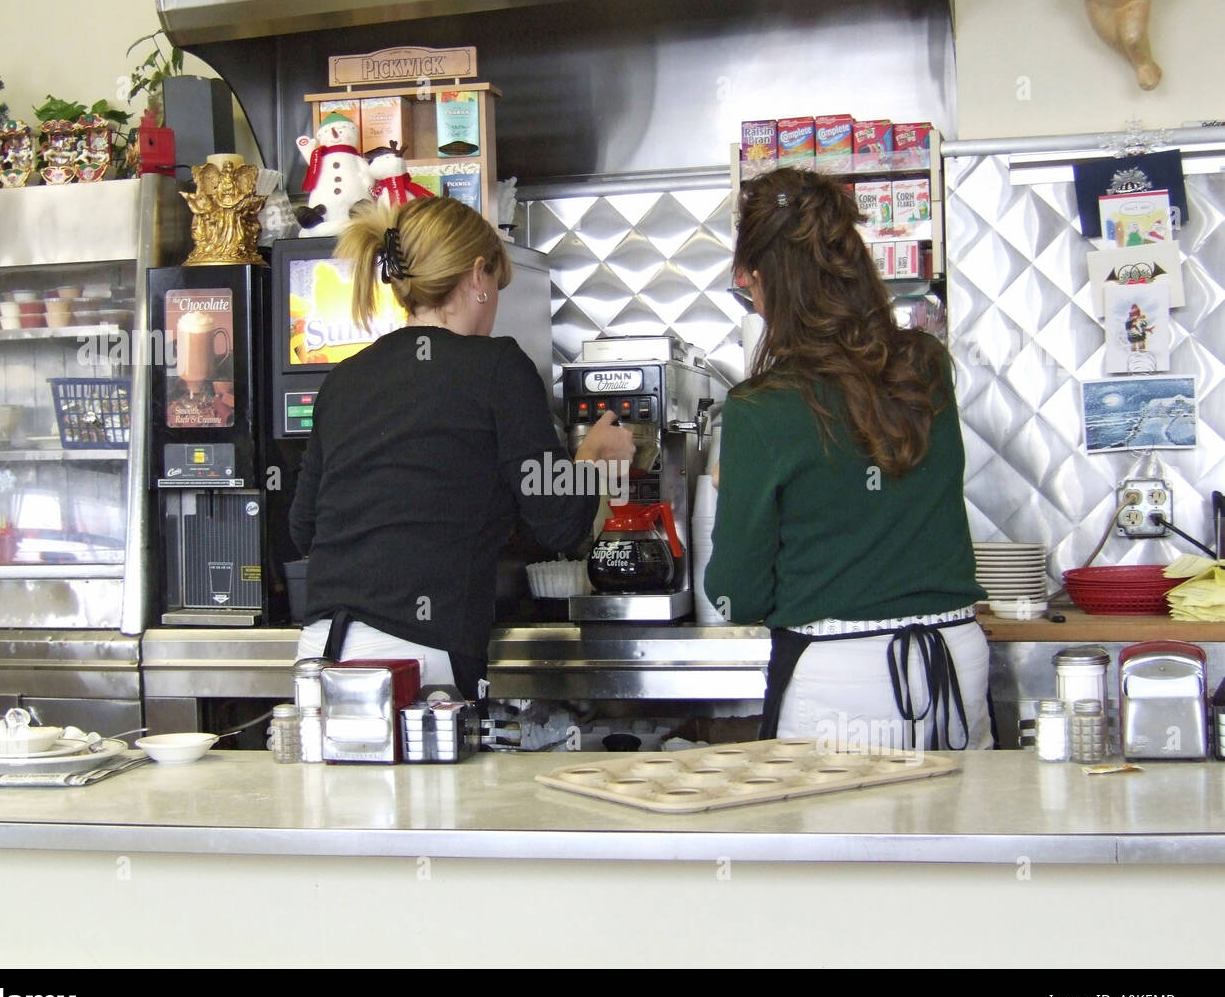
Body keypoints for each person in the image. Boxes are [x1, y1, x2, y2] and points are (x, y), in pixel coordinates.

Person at [290, 196, 634, 697]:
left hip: (319, 653)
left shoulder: (344, 379)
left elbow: (304, 530)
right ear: (477, 276)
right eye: (496, 282)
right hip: (415, 661)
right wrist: (590, 458)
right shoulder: (496, 366)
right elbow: (560, 523)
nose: (495, 299)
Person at [704, 167, 990, 751]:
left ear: (765, 283)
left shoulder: (760, 409)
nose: (751, 301)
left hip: (839, 679)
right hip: (957, 658)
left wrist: (731, 487)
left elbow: (738, 595)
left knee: (837, 841)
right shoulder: (926, 366)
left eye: (750, 287)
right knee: (958, 836)